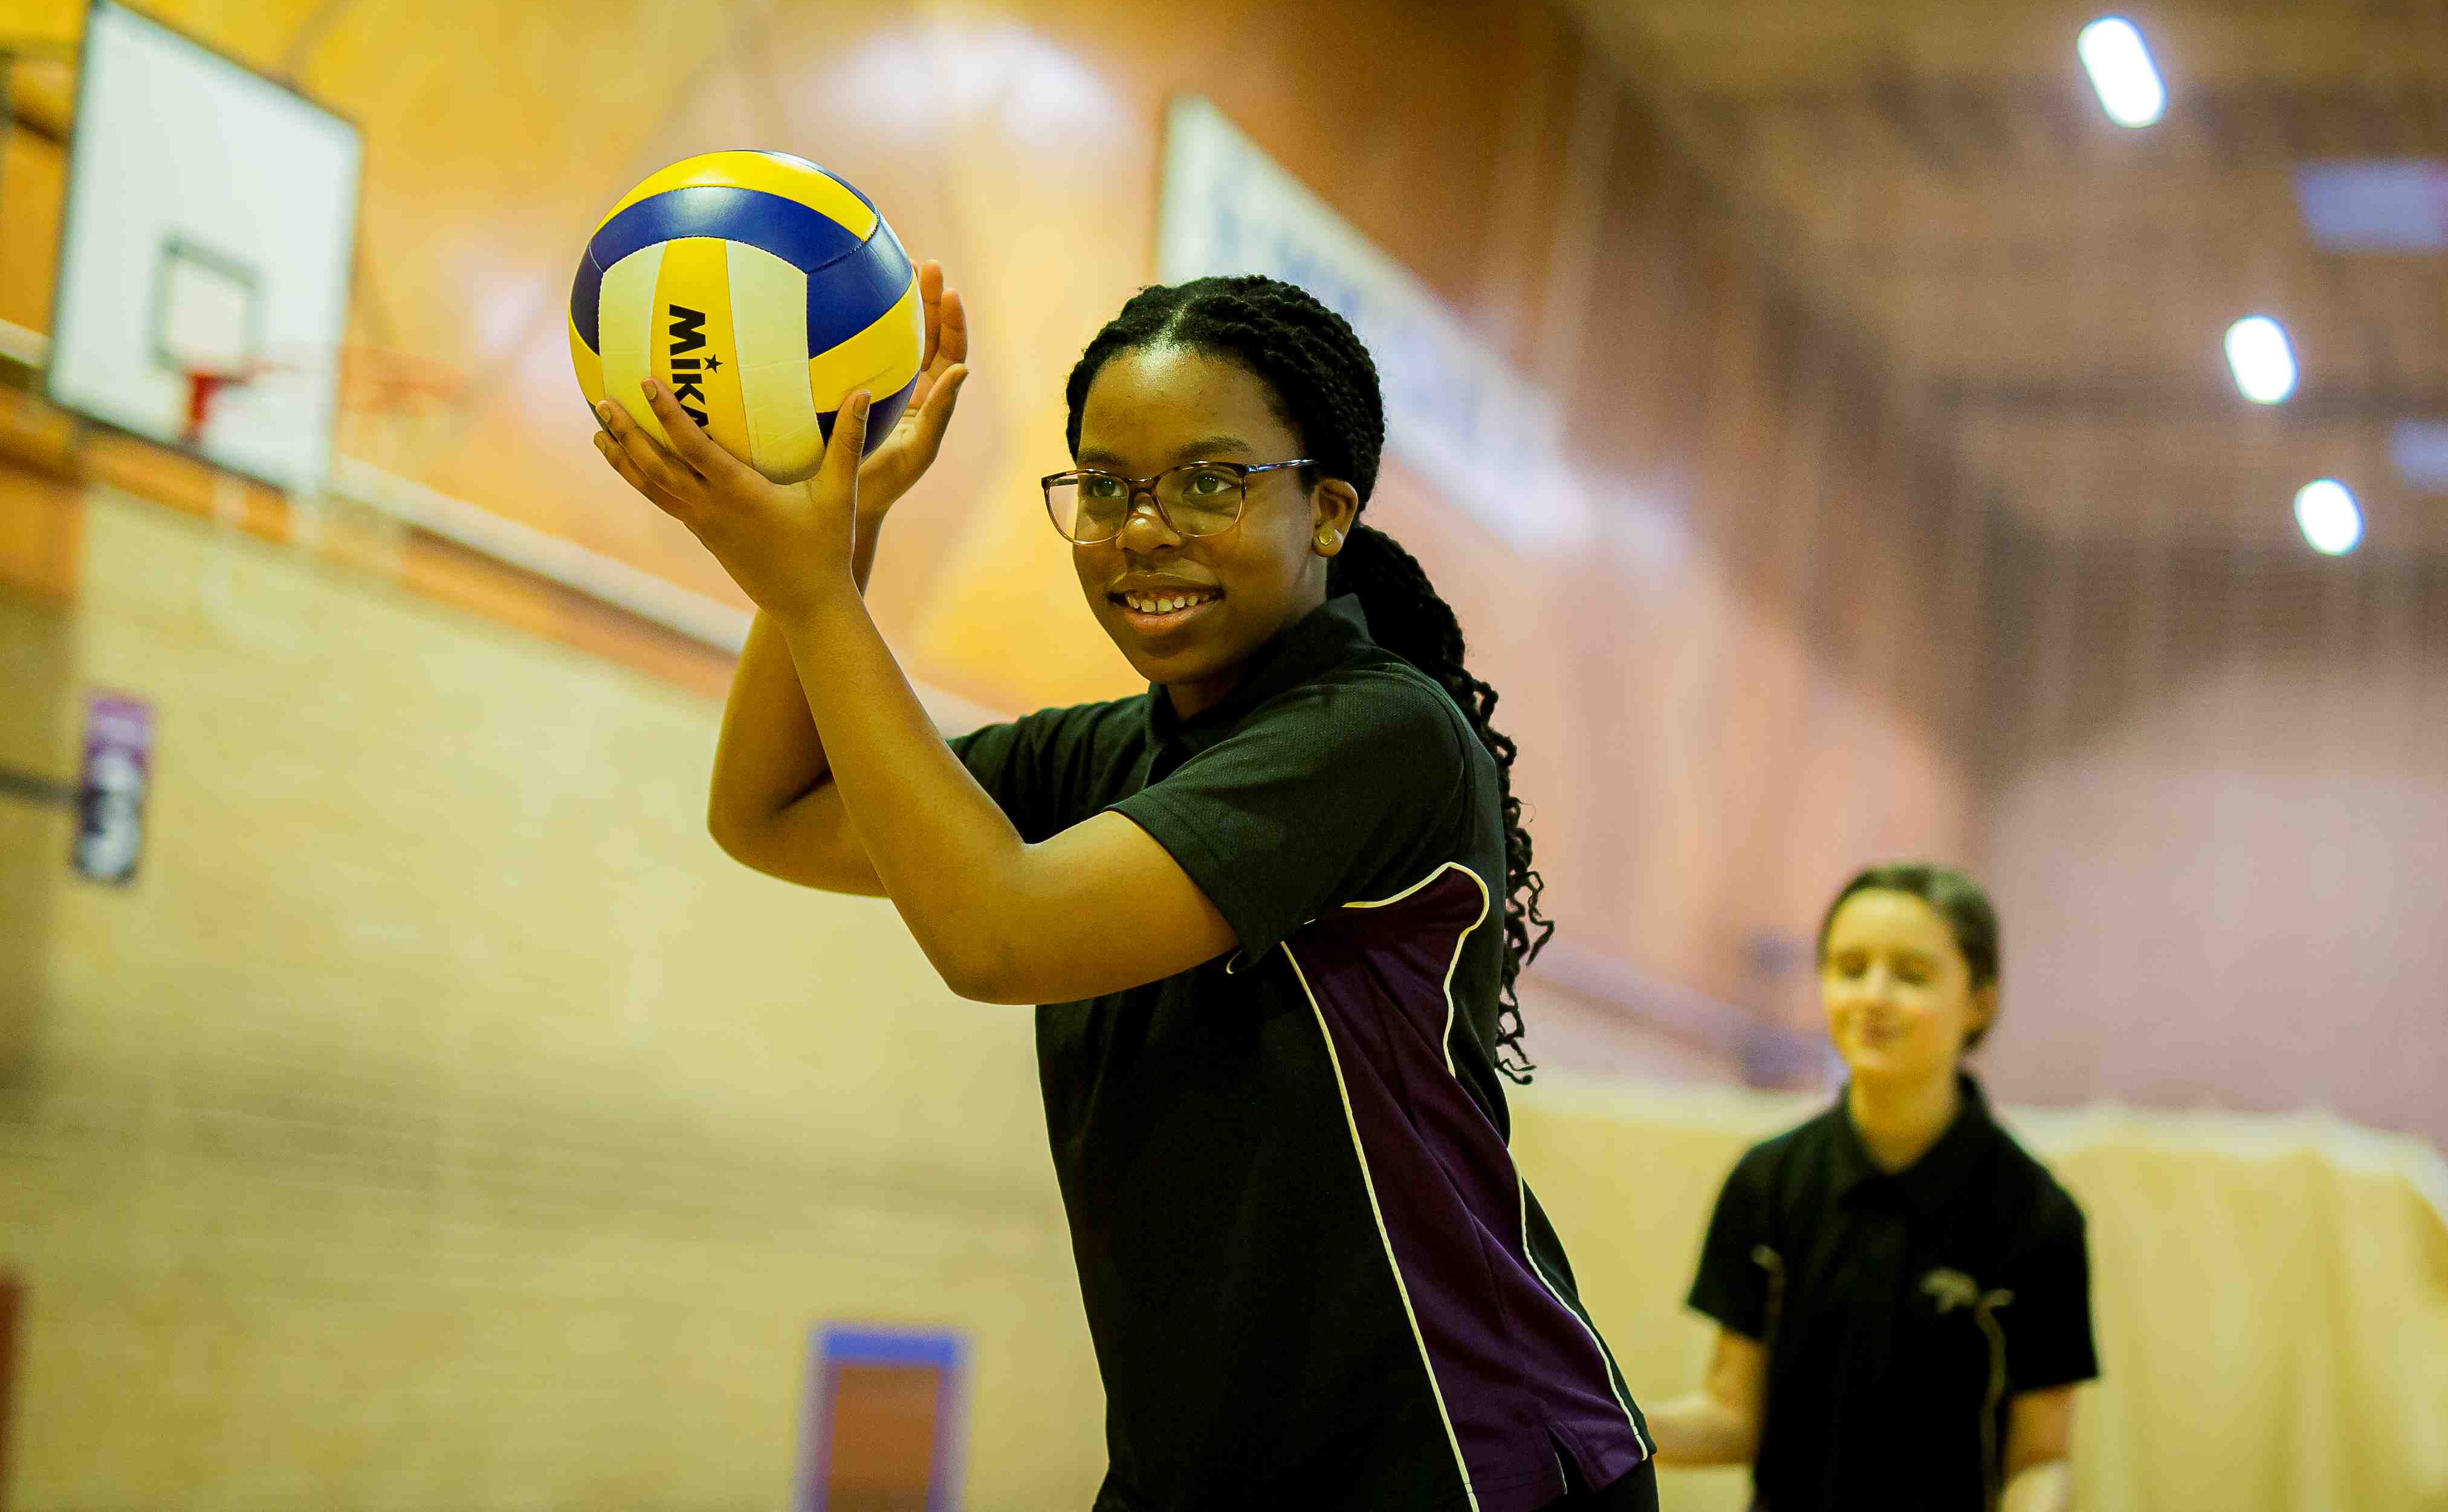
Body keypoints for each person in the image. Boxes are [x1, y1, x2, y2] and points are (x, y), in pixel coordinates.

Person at [592, 267, 1656, 1511]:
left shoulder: (1379, 737)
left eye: (1210, 481)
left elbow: (1000, 936)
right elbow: (768, 815)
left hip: (1462, 1462)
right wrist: (851, 528)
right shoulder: (1098, 756)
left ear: (1325, 512)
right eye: (1104, 486)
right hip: (1192, 1472)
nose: (1143, 527)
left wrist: (814, 590)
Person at [1645, 863, 2098, 1511]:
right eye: (1850, 968)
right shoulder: (1766, 1180)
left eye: (1912, 975)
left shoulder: (2039, 1217)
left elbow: (2040, 1457)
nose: (1873, 996)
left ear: (1981, 1001)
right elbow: (1732, 1418)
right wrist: (1589, 1427)